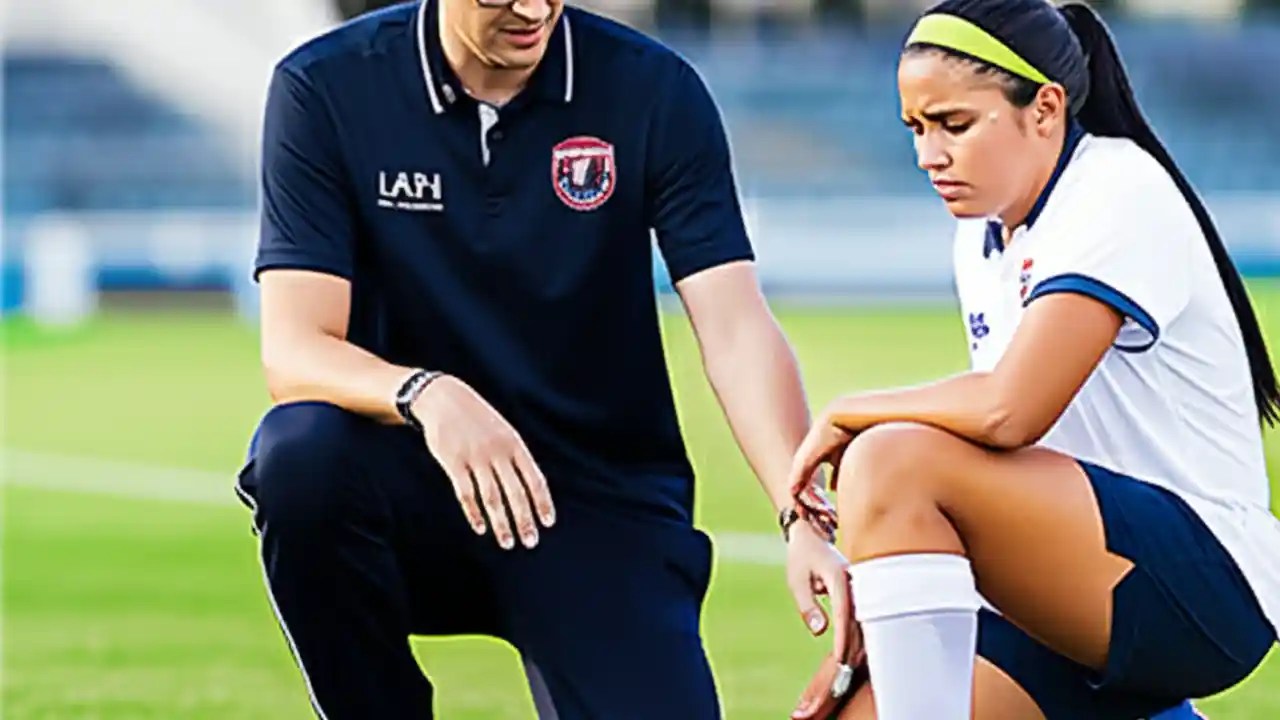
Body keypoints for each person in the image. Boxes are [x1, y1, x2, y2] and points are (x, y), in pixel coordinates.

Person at [234, 0, 847, 718]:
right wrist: (428, 394)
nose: (531, 9)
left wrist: (799, 514)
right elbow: (296, 348)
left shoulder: (653, 89)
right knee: (300, 458)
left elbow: (735, 326)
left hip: (598, 500)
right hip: (416, 483)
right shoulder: (325, 87)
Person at [784, 1, 1280, 719]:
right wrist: (894, 615)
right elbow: (1005, 458)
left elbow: (1009, 410)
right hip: (1078, 578)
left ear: (1046, 108)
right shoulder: (981, 232)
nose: (928, 155)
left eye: (954, 124)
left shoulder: (1116, 190)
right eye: (916, 128)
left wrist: (847, 412)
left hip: (1208, 586)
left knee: (889, 459)